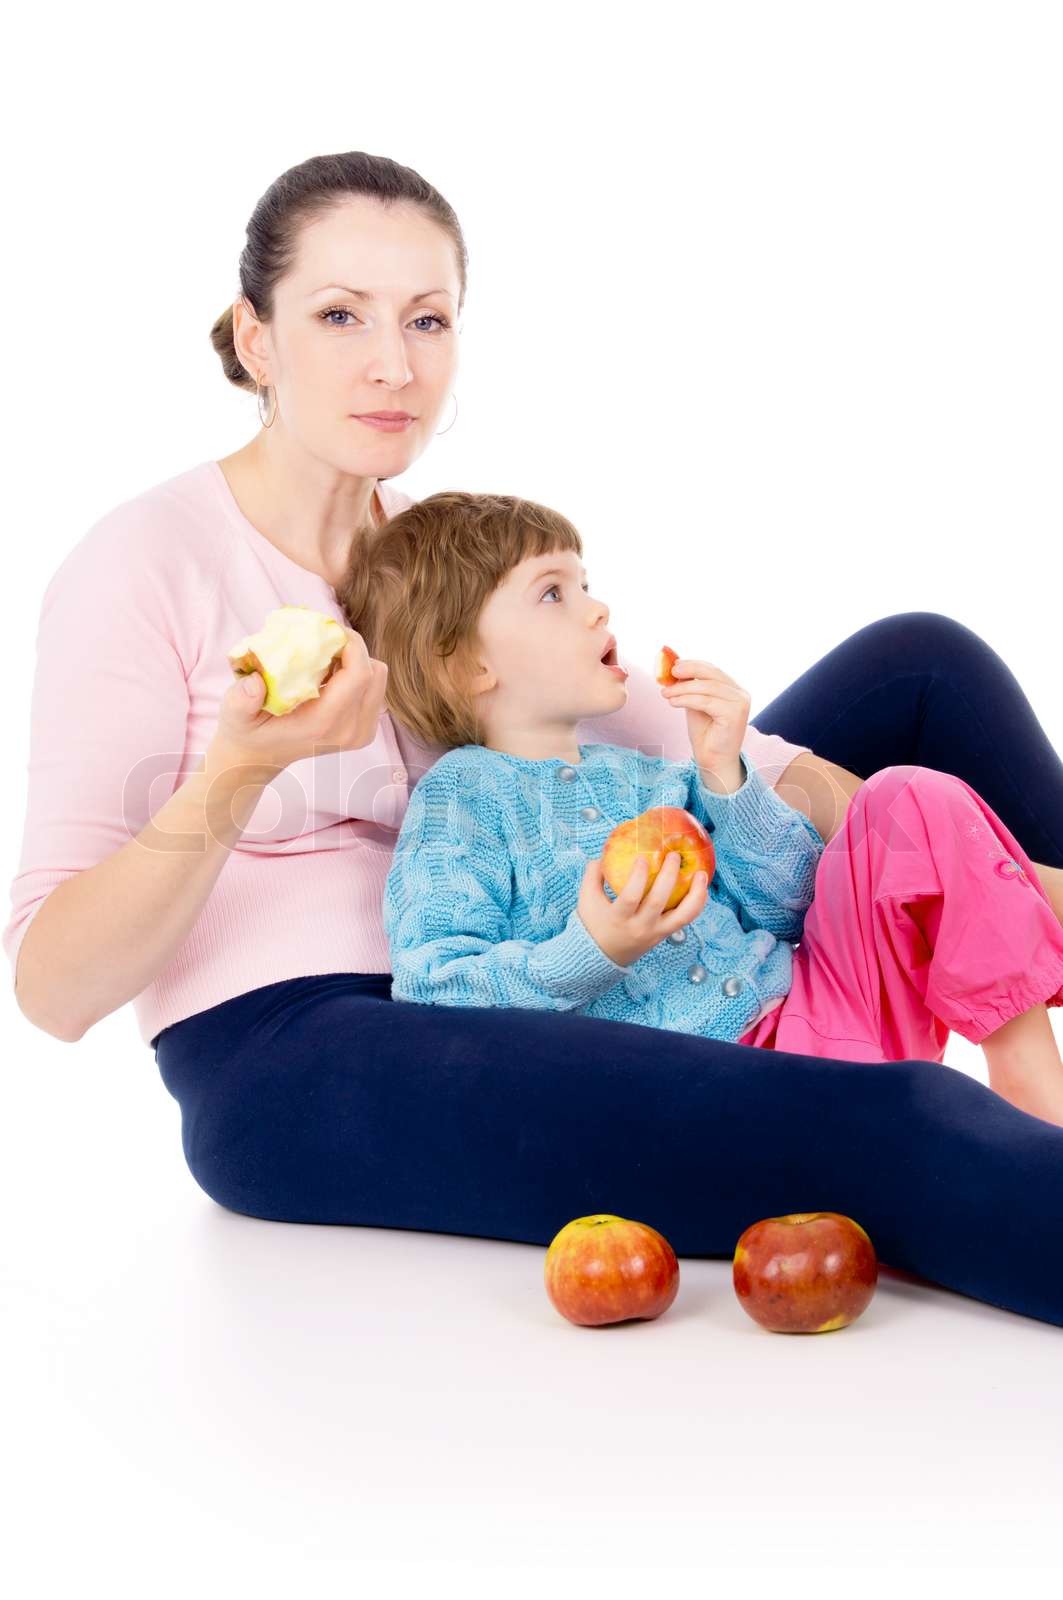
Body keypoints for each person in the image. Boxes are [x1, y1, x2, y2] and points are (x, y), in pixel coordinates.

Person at [6, 150, 1063, 1329]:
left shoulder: (443, 557)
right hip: (319, 1034)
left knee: (920, 668)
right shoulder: (142, 562)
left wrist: (991, 880)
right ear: (257, 339)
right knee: (886, 1120)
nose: (395, 364)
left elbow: (732, 756)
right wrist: (242, 769)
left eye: (427, 318)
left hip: (579, 940)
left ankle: (1021, 953)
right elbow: (52, 987)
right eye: (341, 315)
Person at [342, 489, 1063, 1116]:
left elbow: (790, 910)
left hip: (827, 1015)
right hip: (716, 1093)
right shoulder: (460, 800)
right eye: (553, 593)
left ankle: (1030, 1083)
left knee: (908, 793)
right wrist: (590, 950)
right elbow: (433, 986)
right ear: (467, 663)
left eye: (586, 583)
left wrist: (726, 778)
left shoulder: (650, 778)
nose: (597, 609)